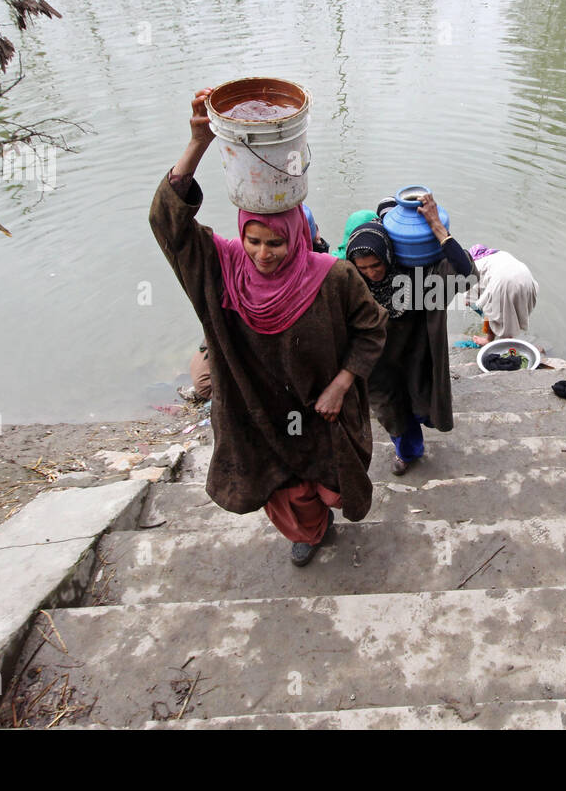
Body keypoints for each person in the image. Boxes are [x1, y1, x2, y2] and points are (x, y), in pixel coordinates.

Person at [150, 88, 387, 566]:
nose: (263, 253)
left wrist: (341, 386)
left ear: (297, 235)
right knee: (285, 490)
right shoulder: (218, 269)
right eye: (254, 240)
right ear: (241, 234)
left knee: (331, 484)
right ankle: (308, 532)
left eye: (276, 242)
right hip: (256, 414)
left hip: (323, 413)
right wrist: (198, 143)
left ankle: (323, 515)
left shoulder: (334, 277)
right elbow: (166, 225)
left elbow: (373, 330)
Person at [346, 196, 475, 475]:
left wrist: (437, 227)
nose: (371, 273)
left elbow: (467, 274)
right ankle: (408, 452)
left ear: (389, 253)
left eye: (376, 265)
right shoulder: (352, 286)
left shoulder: (420, 278)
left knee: (420, 406)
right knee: (392, 416)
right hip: (377, 368)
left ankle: (412, 445)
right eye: (363, 267)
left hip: (416, 358)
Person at [464, 245, 539, 341]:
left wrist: (480, 311)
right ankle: (509, 335)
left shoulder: (476, 266)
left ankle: (491, 341)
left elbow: (469, 300)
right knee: (510, 311)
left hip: (504, 281)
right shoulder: (499, 255)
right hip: (527, 278)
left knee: (489, 308)